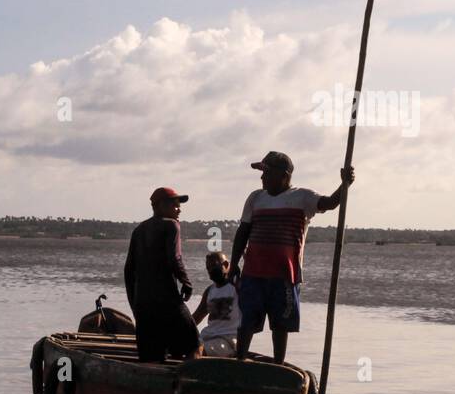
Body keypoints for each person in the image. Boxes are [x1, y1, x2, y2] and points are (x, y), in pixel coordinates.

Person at [229, 151, 354, 363]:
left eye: (266, 173)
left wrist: (345, 184)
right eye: (261, 173)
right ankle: (239, 361)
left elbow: (331, 203)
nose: (262, 178)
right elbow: (243, 232)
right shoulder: (255, 198)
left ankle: (278, 365)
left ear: (284, 176)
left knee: (280, 325)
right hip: (253, 273)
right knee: (247, 320)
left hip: (285, 275)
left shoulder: (302, 197)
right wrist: (233, 264)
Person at [123, 187, 202, 362]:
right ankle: (187, 384)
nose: (179, 209)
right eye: (175, 205)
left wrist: (134, 304)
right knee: (195, 345)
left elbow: (128, 271)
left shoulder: (139, 230)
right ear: (159, 206)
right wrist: (186, 282)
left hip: (143, 307)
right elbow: (175, 257)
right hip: (168, 302)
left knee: (151, 358)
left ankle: (155, 388)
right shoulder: (171, 225)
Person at [191, 251, 242, 356]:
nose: (210, 270)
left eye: (214, 266)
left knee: (197, 350)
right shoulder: (210, 291)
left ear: (226, 265)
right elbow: (196, 317)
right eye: (208, 268)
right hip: (206, 337)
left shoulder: (237, 286)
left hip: (227, 340)